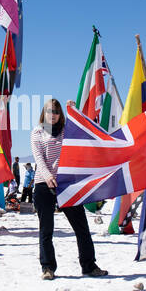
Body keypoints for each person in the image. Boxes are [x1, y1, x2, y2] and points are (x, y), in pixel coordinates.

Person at [30, 99, 107, 280]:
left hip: (66, 185)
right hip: (44, 184)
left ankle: (89, 266)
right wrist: (48, 176)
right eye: (50, 111)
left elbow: (84, 130)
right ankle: (48, 268)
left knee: (81, 227)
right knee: (46, 229)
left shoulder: (67, 130)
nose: (53, 115)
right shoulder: (37, 132)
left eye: (56, 111)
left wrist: (74, 110)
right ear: (44, 113)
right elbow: (38, 158)